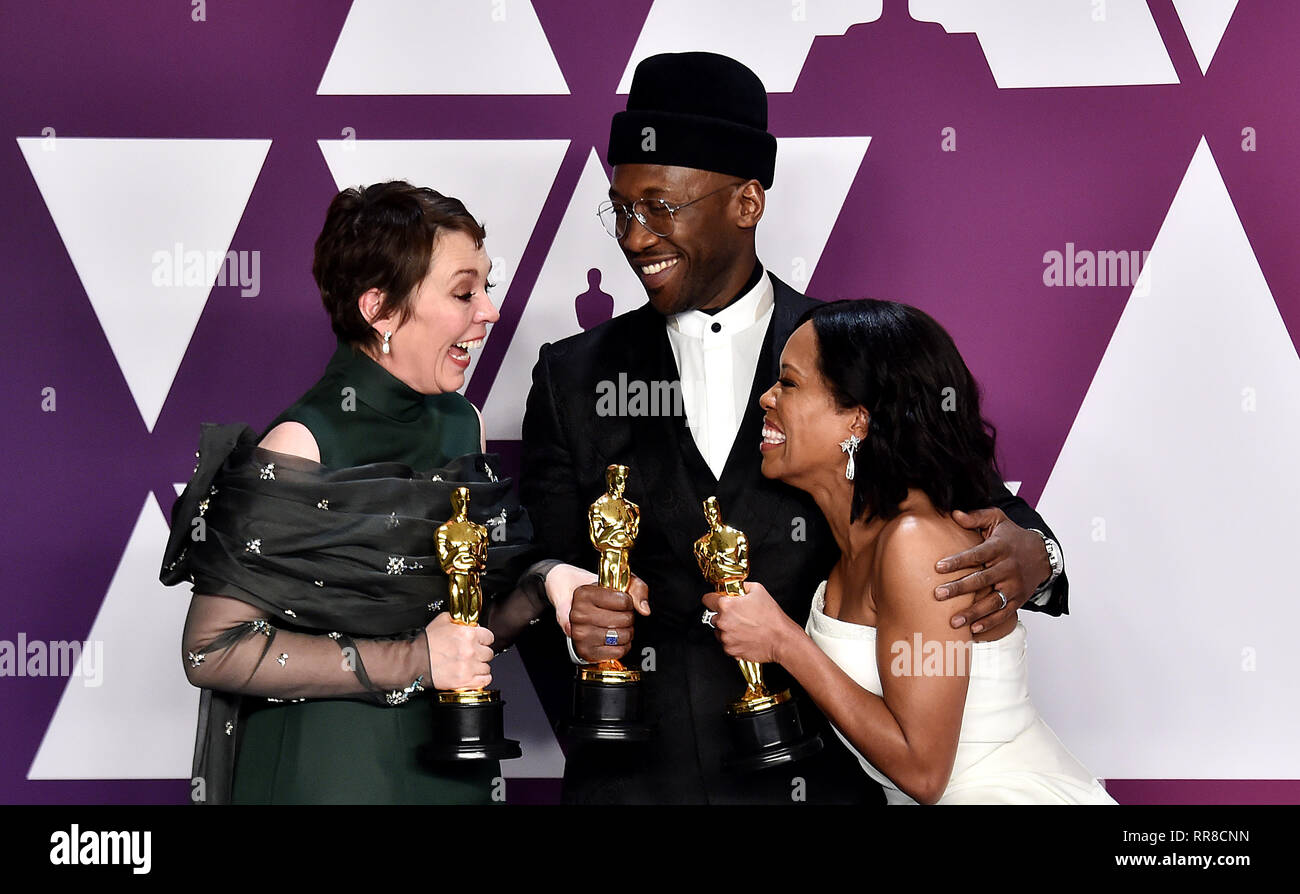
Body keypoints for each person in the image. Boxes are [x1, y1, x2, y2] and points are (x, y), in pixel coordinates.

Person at [518, 52, 1069, 804]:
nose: (634, 238)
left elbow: (976, 512)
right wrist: (561, 587)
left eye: (661, 208)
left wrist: (1038, 556)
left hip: (821, 779)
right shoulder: (570, 373)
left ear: (747, 202)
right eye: (621, 209)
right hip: (632, 783)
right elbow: (533, 554)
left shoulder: (844, 351)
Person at [161, 181, 590, 804]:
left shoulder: (460, 422)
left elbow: (465, 625)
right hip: (328, 769)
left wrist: (546, 584)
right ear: (380, 311)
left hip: (451, 759)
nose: (490, 310)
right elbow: (211, 650)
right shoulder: (300, 442)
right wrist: (418, 659)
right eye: (464, 292)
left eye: (486, 287)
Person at [704, 300, 1114, 804]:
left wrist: (784, 641)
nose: (766, 398)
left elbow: (923, 773)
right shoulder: (856, 548)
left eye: (788, 384)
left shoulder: (914, 542)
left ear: (857, 420)